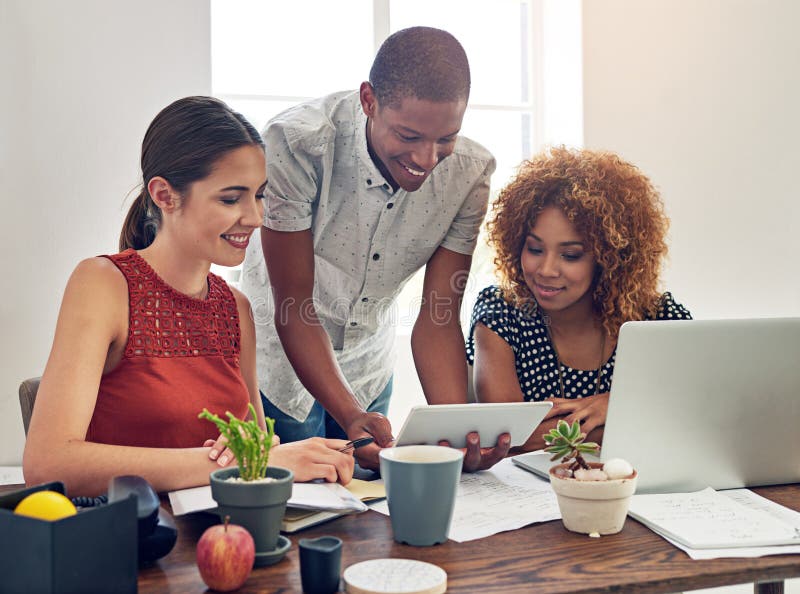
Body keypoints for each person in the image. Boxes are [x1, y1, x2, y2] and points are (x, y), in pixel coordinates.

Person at [23, 97, 354, 497]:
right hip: (131, 542)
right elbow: (48, 464)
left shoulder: (236, 307)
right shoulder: (102, 284)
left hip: (224, 532)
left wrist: (265, 456)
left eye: (260, 195)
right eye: (231, 198)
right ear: (165, 196)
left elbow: (255, 450)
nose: (254, 217)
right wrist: (238, 465)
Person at [240, 26, 510, 471]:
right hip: (278, 373)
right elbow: (294, 305)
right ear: (369, 100)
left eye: (445, 138)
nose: (427, 159)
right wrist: (348, 416)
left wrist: (461, 434)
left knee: (371, 523)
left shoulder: (469, 175)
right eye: (408, 136)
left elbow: (439, 317)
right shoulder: (297, 144)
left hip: (368, 373)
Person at [466, 147, 692, 453]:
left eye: (570, 255)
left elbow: (694, 419)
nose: (545, 270)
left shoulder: (659, 319)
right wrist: (629, 412)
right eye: (534, 249)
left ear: (610, 258)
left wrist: (615, 408)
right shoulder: (501, 310)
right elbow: (507, 438)